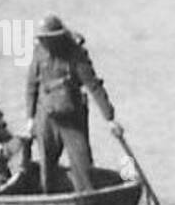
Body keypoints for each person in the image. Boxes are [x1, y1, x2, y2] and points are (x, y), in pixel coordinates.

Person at [24, 15, 122, 194]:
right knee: (47, 163)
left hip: (72, 116)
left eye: (48, 39)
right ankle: (48, 200)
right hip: (45, 115)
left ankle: (86, 197)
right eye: (42, 39)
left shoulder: (76, 54)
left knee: (81, 161)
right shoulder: (39, 53)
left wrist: (110, 118)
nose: (45, 42)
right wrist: (30, 118)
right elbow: (32, 85)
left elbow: (94, 86)